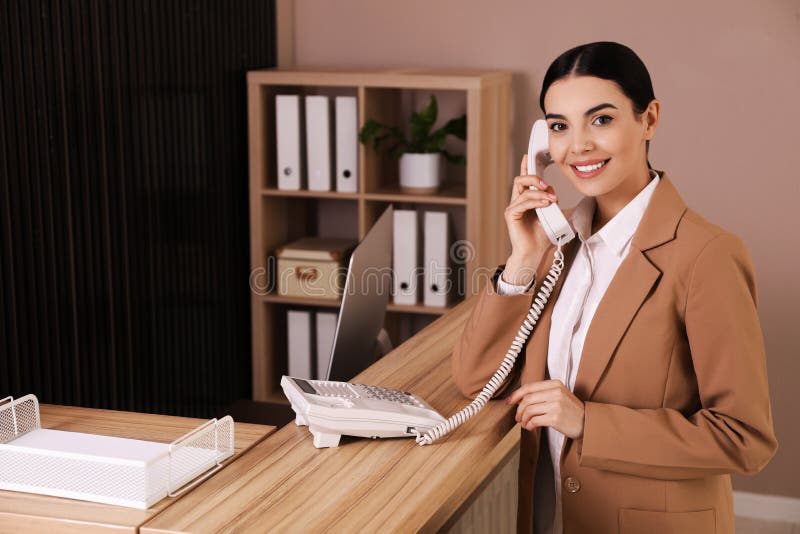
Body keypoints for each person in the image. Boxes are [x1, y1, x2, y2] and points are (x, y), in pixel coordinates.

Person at [451, 41, 777, 534]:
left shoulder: (707, 255)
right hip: (550, 515)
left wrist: (588, 421)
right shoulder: (558, 245)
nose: (576, 146)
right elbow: (476, 381)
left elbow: (744, 438)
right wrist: (522, 259)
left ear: (649, 120)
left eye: (600, 120)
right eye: (559, 126)